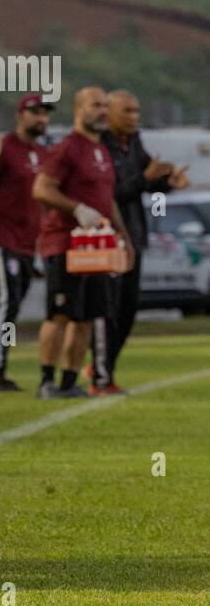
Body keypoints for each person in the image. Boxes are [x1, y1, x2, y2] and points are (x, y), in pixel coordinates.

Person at [32, 86, 135, 400]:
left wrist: (124, 237)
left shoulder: (101, 150)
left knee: (88, 316)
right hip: (64, 244)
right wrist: (76, 208)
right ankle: (47, 381)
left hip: (96, 249)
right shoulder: (67, 148)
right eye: (96, 105)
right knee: (60, 314)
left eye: (105, 105)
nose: (102, 111)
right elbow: (41, 189)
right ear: (79, 110)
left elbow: (108, 201)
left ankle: (69, 381)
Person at [98, 90, 188, 393]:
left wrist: (169, 182)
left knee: (127, 308)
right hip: (106, 238)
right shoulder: (100, 145)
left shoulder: (133, 142)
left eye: (136, 111)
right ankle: (101, 373)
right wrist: (144, 179)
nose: (133, 117)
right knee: (106, 310)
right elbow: (109, 193)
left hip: (135, 237)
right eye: (127, 111)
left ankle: (105, 367)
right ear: (109, 112)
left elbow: (150, 179)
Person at [0, 94, 51, 391]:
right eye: (35, 113)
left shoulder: (42, 154)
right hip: (1, 239)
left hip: (27, 242)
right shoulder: (4, 148)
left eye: (45, 113)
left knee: (15, 305)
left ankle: (1, 364)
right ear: (21, 116)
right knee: (6, 303)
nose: (41, 119)